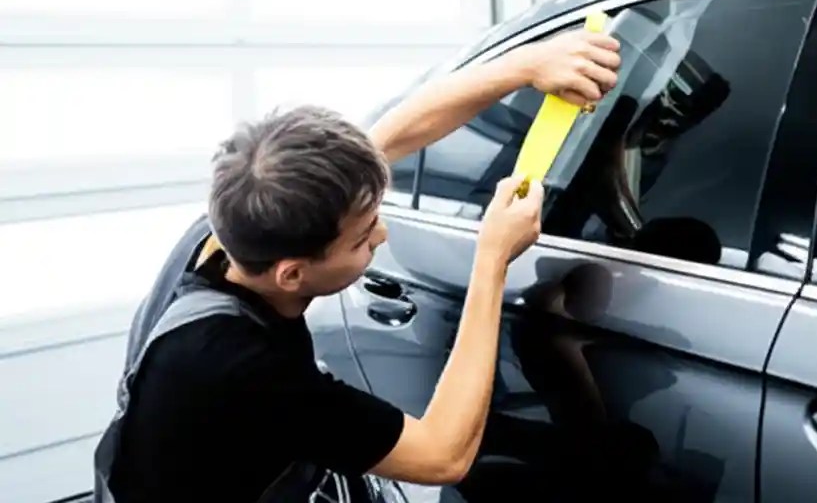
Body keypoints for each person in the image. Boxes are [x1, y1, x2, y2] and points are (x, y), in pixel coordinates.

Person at [104, 27, 622, 502]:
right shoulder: (242, 368)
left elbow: (393, 134)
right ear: (291, 273)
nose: (382, 232)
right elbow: (443, 454)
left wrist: (527, 66)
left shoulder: (243, 222)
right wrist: (492, 260)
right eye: (361, 238)